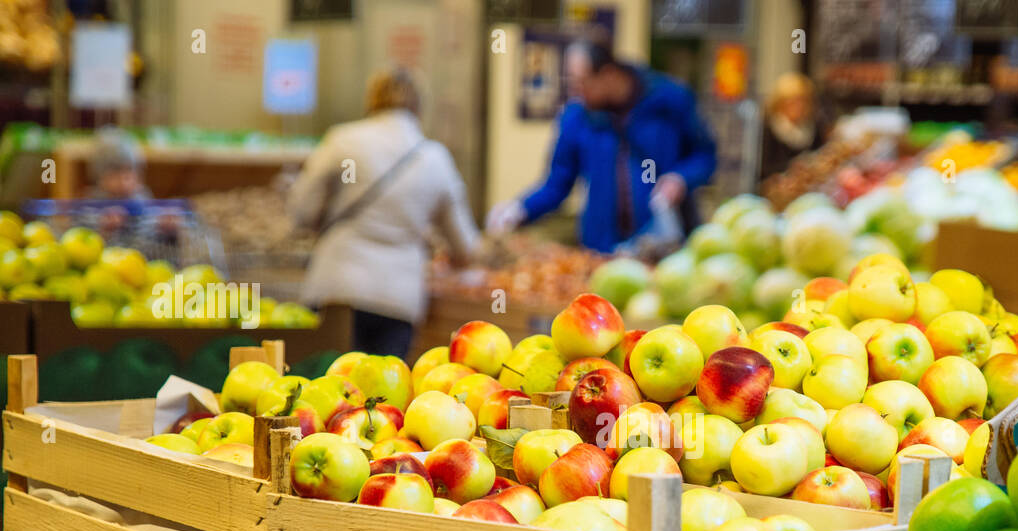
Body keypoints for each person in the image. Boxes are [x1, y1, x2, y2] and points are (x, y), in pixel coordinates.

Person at [289, 66, 480, 359]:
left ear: (372, 98)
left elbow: (301, 210)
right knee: (383, 393)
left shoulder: (343, 139)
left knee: (326, 387)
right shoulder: (435, 158)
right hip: (397, 297)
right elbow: (465, 246)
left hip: (337, 286)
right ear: (419, 106)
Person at [487, 38, 717, 253]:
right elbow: (557, 184)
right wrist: (520, 208)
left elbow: (706, 156)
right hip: (602, 251)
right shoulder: (576, 118)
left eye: (581, 83)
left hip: (666, 245)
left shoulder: (670, 100)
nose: (576, 93)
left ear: (607, 74)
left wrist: (680, 178)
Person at [760, 72, 824, 181]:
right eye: (793, 101)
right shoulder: (767, 130)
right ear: (780, 103)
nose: (799, 106)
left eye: (804, 101)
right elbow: (763, 169)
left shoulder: (814, 129)